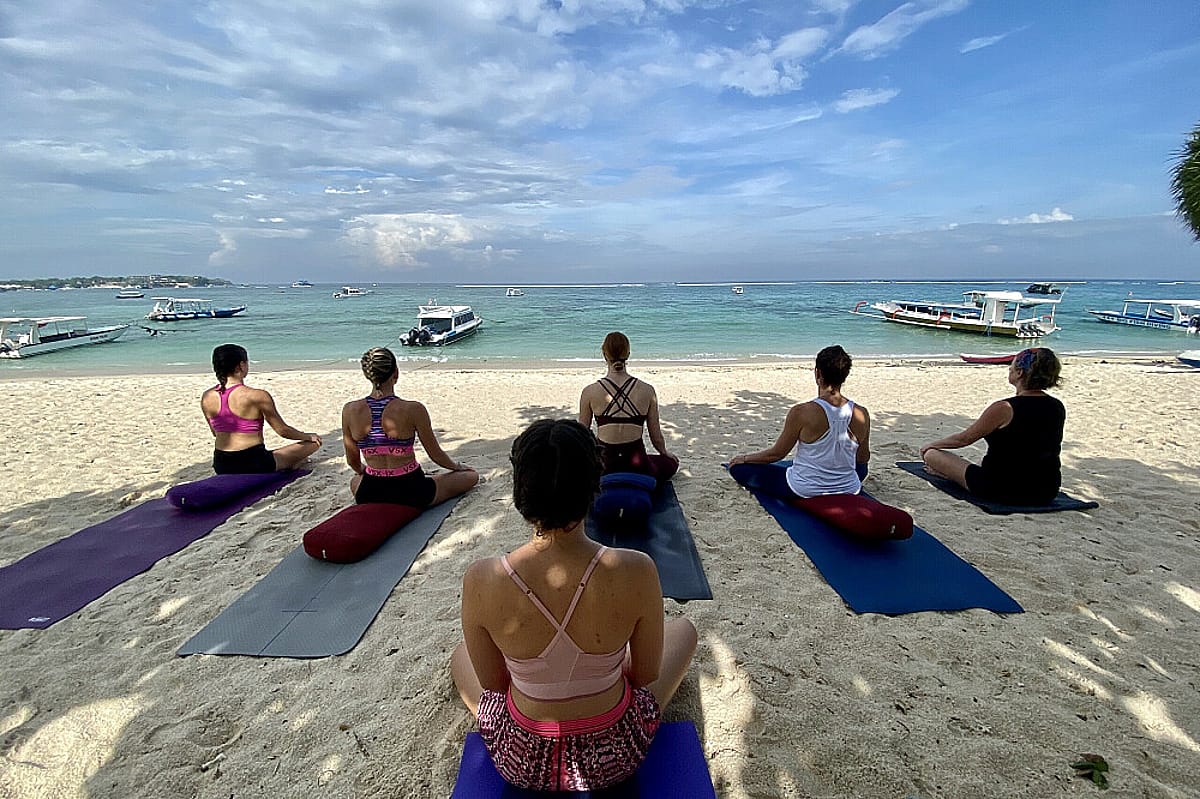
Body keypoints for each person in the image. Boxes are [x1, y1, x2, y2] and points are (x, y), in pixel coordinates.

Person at [451, 419, 697, 791]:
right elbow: (644, 675)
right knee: (687, 631)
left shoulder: (482, 578)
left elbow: (496, 686)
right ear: (594, 487)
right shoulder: (636, 569)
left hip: (523, 760)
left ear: (522, 494)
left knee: (460, 656)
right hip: (615, 755)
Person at [921, 347, 1065, 505]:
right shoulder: (1057, 406)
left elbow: (964, 439)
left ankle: (947, 475)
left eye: (1012, 364)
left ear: (1019, 373)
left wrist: (930, 446)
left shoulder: (1005, 408)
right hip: (1046, 491)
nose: (1009, 367)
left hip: (1000, 488)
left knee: (932, 455)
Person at [728, 345, 870, 499]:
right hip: (849, 487)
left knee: (739, 469)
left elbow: (777, 454)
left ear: (818, 373)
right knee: (862, 470)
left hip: (804, 489)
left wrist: (744, 458)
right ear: (844, 376)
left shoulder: (801, 412)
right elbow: (862, 459)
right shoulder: (861, 413)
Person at [341, 347, 478, 507]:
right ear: (396, 373)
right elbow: (436, 455)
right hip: (412, 491)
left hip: (371, 492)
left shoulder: (350, 410)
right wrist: (457, 467)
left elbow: (353, 462)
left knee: (355, 481)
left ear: (367, 375)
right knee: (471, 476)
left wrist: (372, 475)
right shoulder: (413, 409)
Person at [201, 344, 321, 474]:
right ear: (241, 365)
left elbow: (215, 432)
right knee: (314, 443)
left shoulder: (207, 396)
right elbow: (283, 431)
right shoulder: (257, 396)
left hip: (221, 464)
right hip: (255, 463)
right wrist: (308, 436)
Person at [578, 332, 679, 480]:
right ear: (628, 354)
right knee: (670, 463)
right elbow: (656, 438)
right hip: (638, 465)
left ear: (604, 355)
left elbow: (582, 434)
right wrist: (665, 452)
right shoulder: (647, 390)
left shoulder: (589, 392)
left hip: (605, 466)